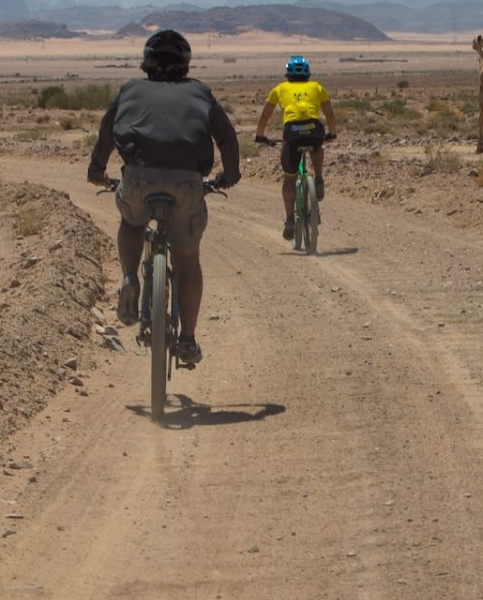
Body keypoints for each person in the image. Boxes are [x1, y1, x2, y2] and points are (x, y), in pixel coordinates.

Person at [87, 29, 241, 368]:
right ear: (186, 63)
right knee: (187, 258)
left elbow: (106, 132)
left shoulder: (129, 89)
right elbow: (227, 139)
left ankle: (130, 278)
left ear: (147, 61)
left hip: (139, 177)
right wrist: (229, 176)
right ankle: (187, 339)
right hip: (188, 182)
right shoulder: (200, 92)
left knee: (131, 221)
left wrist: (97, 170)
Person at [254, 54, 338, 240]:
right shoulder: (317, 87)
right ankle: (318, 178)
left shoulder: (279, 89)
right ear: (308, 73)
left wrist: (260, 135)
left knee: (289, 178)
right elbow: (329, 113)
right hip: (314, 129)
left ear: (287, 74)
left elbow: (265, 115)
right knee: (317, 145)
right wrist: (332, 133)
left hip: (292, 132)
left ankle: (290, 219)